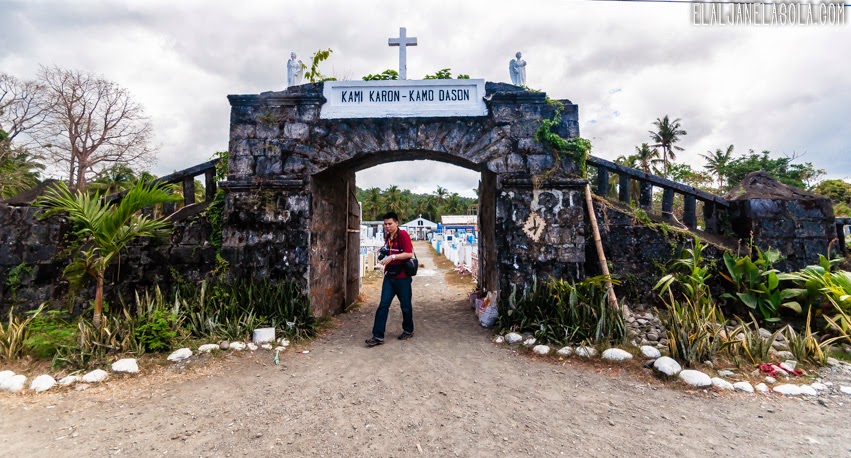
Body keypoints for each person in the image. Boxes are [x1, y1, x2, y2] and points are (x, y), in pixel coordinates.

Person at [365, 212, 415, 347]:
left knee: (405, 306)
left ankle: (408, 329)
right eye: (385, 224)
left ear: (396, 223)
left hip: (403, 277)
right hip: (389, 276)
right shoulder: (388, 236)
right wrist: (384, 253)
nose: (387, 226)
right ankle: (378, 335)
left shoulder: (403, 235)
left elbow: (409, 253)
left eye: (390, 224)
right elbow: (389, 250)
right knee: (383, 305)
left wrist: (392, 258)